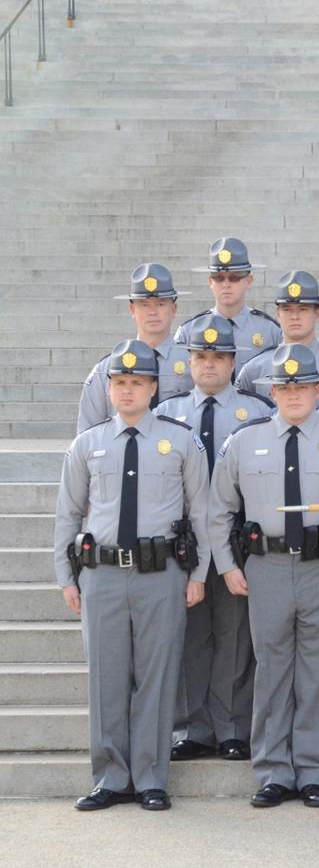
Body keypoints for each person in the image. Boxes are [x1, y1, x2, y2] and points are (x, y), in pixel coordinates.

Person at [208, 343, 319, 809]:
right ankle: (273, 772)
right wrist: (226, 565)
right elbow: (219, 510)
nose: (293, 394)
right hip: (267, 568)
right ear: (272, 392)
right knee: (273, 670)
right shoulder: (244, 441)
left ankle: (314, 771)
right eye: (284, 386)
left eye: (302, 385)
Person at [55, 339, 210, 812]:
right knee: (106, 679)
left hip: (160, 573)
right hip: (101, 575)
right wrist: (66, 576)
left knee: (157, 677)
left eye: (136, 382)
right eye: (119, 382)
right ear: (107, 387)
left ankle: (150, 778)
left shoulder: (182, 440)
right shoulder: (87, 444)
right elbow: (68, 515)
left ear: (153, 387)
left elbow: (201, 513)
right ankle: (109, 778)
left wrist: (198, 573)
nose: (127, 391)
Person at [157, 315, 274, 763]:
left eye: (219, 357)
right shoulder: (167, 413)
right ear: (188, 361)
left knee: (234, 635)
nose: (209, 365)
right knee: (191, 636)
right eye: (201, 357)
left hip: (234, 539)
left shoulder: (257, 411)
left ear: (232, 361)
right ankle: (193, 726)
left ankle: (231, 727)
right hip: (182, 542)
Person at [77, 264, 194, 432]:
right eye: (145, 305)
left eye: (160, 304)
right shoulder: (108, 367)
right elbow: (88, 433)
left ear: (173, 309)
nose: (153, 312)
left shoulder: (193, 362)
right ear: (132, 309)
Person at [237, 270, 319, 400]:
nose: (294, 317)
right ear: (278, 313)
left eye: (303, 309)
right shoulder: (255, 368)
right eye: (287, 309)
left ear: (317, 313)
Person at [175, 237, 281, 372]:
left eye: (234, 278)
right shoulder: (189, 331)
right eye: (218, 278)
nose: (226, 284)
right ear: (210, 281)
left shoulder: (270, 330)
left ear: (249, 280)